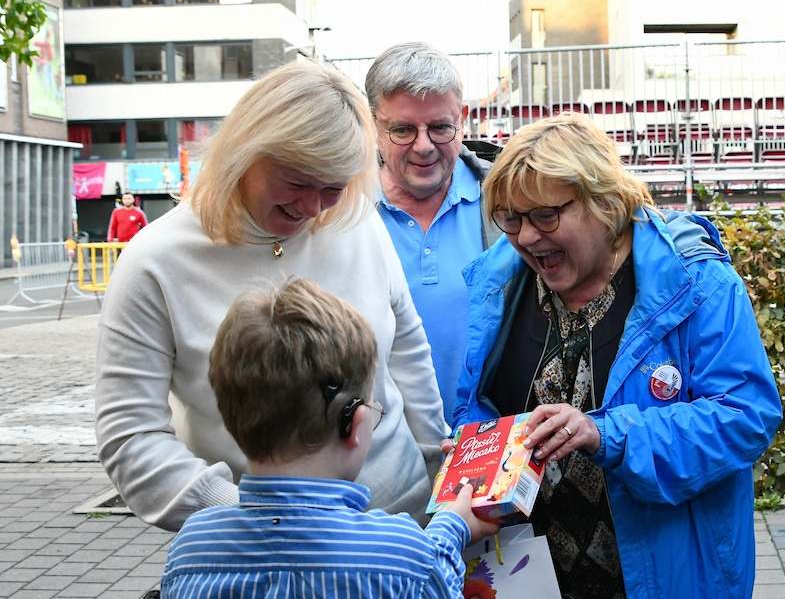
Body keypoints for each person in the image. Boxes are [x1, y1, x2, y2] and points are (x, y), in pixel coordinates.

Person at [94, 60, 446, 532]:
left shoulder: (359, 221)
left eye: (333, 188)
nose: (312, 208)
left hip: (403, 516)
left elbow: (406, 351)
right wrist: (250, 518)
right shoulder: (153, 262)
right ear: (245, 150)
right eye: (298, 182)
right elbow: (130, 437)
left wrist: (437, 469)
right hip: (256, 545)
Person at [453, 111, 782, 598]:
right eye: (511, 219)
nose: (525, 237)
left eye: (545, 215)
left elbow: (745, 417)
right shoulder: (500, 285)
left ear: (604, 202)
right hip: (532, 578)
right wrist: (475, 453)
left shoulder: (695, 283)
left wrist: (607, 434)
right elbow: (476, 402)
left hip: (663, 573)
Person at [160, 278, 498, 597]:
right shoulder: (404, 559)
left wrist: (451, 528)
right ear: (354, 423)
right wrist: (453, 525)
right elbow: (424, 569)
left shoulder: (193, 546)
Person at [365, 42, 498, 424]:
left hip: (495, 455)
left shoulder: (510, 204)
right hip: (382, 457)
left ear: (463, 119)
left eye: (440, 127)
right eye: (403, 130)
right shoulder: (339, 217)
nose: (423, 146)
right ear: (374, 126)